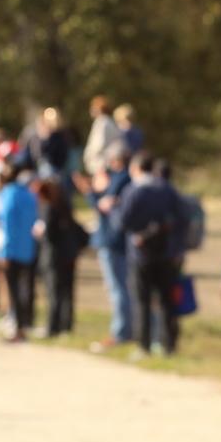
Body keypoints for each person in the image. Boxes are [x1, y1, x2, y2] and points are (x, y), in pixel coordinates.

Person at [117, 151, 184, 357]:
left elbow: (123, 221)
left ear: (136, 168)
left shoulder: (133, 190)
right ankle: (168, 345)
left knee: (142, 300)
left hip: (141, 254)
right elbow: (181, 218)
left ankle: (143, 345)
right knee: (166, 301)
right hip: (166, 254)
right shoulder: (166, 189)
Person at [86, 144, 134, 352]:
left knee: (118, 287)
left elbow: (103, 206)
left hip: (112, 240)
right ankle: (126, 329)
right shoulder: (126, 179)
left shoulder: (120, 179)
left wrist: (91, 191)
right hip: (118, 241)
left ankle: (121, 332)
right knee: (120, 287)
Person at [0, 166, 38, 342]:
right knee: (25, 289)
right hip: (28, 248)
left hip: (12, 250)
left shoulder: (9, 194)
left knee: (13, 290)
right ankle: (24, 324)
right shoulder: (28, 194)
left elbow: (7, 224)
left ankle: (17, 328)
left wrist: (4, 252)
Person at [34, 177, 85, 337]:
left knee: (54, 292)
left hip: (53, 256)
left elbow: (49, 234)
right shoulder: (65, 207)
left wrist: (39, 233)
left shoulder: (49, 208)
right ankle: (66, 325)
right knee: (67, 292)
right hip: (68, 255)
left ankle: (53, 326)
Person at [82, 95, 123, 176]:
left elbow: (98, 145)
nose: (91, 110)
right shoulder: (109, 122)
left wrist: (88, 157)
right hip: (107, 163)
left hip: (102, 165)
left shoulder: (102, 122)